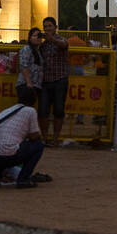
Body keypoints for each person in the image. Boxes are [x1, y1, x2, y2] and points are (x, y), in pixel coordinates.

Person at [0, 84, 45, 188]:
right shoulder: (30, 111)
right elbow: (35, 136)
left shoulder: (5, 111)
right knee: (39, 145)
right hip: (8, 155)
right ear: (34, 100)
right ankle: (23, 179)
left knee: (5, 146)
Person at [38, 16, 69, 144]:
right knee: (43, 110)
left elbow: (64, 45)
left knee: (59, 110)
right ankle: (45, 137)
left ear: (55, 28)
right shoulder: (43, 44)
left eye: (50, 26)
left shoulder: (61, 39)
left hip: (59, 79)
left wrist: (52, 39)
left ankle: (55, 138)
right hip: (45, 81)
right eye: (45, 27)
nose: (47, 29)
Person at [17, 27, 44, 103]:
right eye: (34, 36)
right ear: (30, 38)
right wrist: (28, 83)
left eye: (39, 36)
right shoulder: (27, 49)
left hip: (35, 85)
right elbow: (24, 66)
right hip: (26, 85)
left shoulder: (38, 51)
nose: (37, 38)